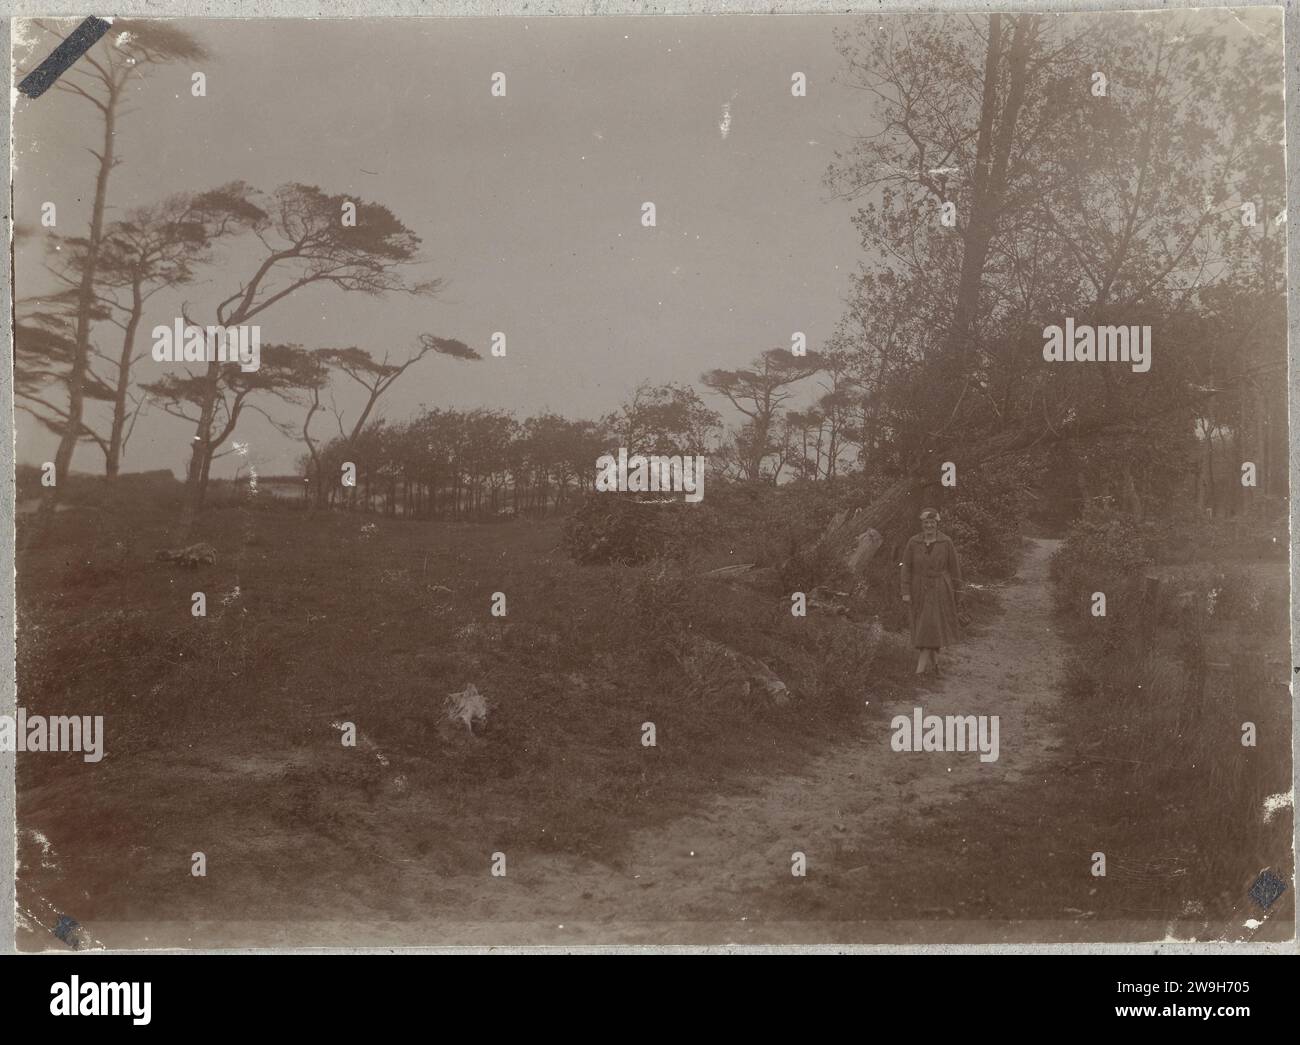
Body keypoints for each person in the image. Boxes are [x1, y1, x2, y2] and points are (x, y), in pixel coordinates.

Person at [900, 508, 963, 676]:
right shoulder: (913, 542)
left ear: (937, 524)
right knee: (928, 627)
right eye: (926, 522)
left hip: (940, 589)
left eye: (932, 523)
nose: (929, 525)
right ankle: (936, 667)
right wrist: (905, 591)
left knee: (928, 626)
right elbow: (906, 567)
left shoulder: (946, 542)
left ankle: (919, 671)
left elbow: (955, 569)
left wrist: (958, 593)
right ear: (922, 524)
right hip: (918, 588)